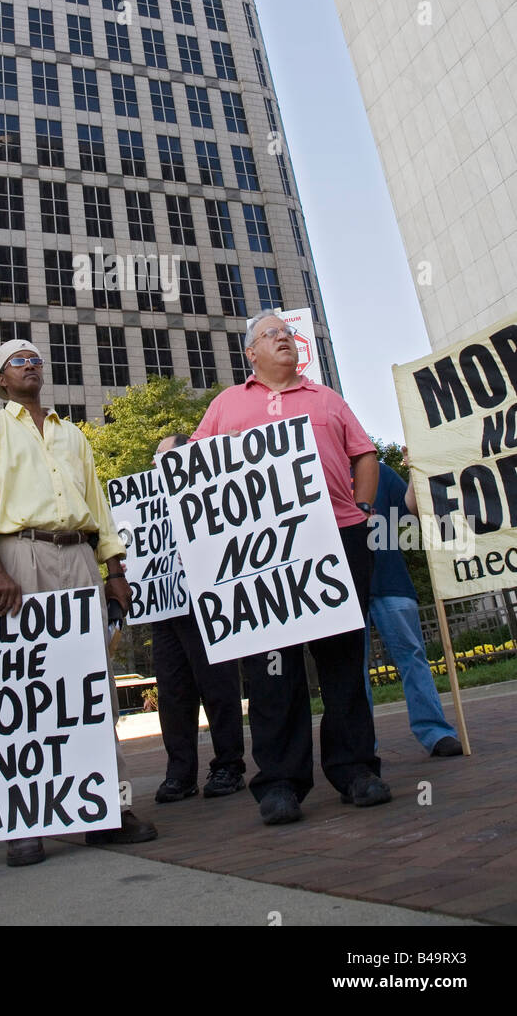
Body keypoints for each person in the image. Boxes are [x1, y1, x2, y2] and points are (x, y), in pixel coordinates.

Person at [0, 338, 157, 867]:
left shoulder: (73, 436)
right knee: (25, 690)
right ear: (0, 380)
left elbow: (98, 504)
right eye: (18, 360)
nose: (32, 364)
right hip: (21, 559)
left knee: (91, 686)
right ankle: (25, 822)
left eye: (36, 358)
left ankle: (108, 807)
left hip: (77, 558)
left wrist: (113, 569)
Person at [191, 311, 391, 825]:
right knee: (271, 667)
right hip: (264, 555)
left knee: (343, 660)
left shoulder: (327, 399)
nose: (283, 338)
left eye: (287, 332)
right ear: (250, 353)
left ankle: (355, 771)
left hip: (338, 538)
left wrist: (363, 511)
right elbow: (195, 471)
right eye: (271, 334)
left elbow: (364, 455)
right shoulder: (225, 405)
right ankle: (280, 783)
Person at [151, 434, 246, 803]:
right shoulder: (149, 503)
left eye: (163, 456)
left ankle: (228, 764)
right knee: (172, 691)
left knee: (216, 684)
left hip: (204, 600)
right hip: (164, 606)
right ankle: (180, 773)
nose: (157, 463)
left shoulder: (209, 491)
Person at [367, 460, 462, 757]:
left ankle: (435, 732)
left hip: (388, 578)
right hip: (339, 588)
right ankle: (360, 748)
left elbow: (411, 510)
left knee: (412, 655)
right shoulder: (316, 472)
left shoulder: (378, 470)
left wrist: (417, 468)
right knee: (348, 671)